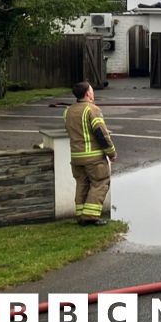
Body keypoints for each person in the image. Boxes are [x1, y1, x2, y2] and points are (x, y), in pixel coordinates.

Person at [63, 81, 116, 226]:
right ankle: (91, 217)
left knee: (82, 184)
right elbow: (101, 134)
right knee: (100, 183)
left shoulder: (68, 111)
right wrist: (111, 153)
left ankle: (81, 215)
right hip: (93, 158)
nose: (93, 93)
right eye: (92, 91)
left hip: (76, 158)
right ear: (87, 93)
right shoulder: (92, 110)